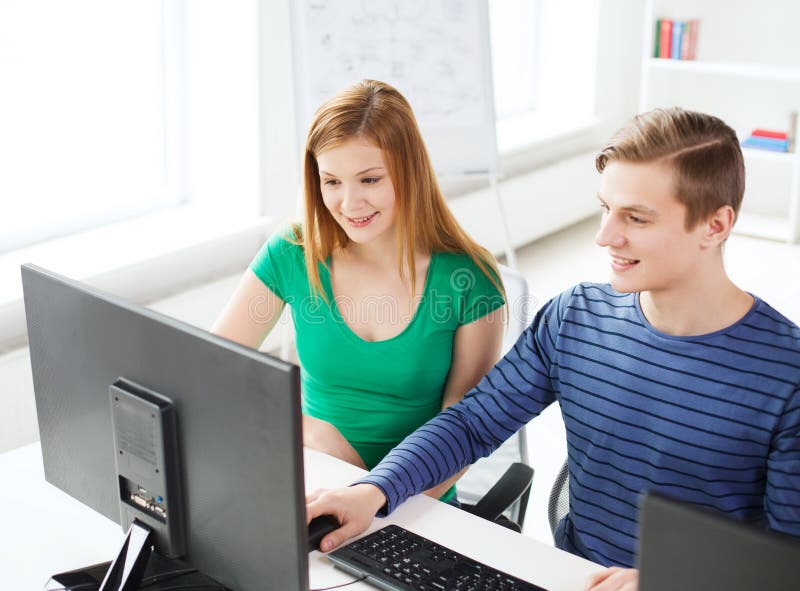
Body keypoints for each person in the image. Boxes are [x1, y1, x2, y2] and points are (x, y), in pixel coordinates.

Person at [305, 107, 800, 590]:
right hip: (570, 577)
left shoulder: (787, 376)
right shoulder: (576, 316)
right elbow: (472, 423)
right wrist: (374, 490)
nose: (605, 236)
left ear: (715, 226)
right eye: (606, 209)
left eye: (636, 218)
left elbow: (787, 562)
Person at [212, 79, 506, 503]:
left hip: (417, 501)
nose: (349, 203)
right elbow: (214, 371)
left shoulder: (469, 279)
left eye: (369, 180)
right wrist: (311, 431)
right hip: (311, 484)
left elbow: (464, 429)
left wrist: (378, 500)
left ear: (410, 172)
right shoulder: (293, 252)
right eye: (331, 181)